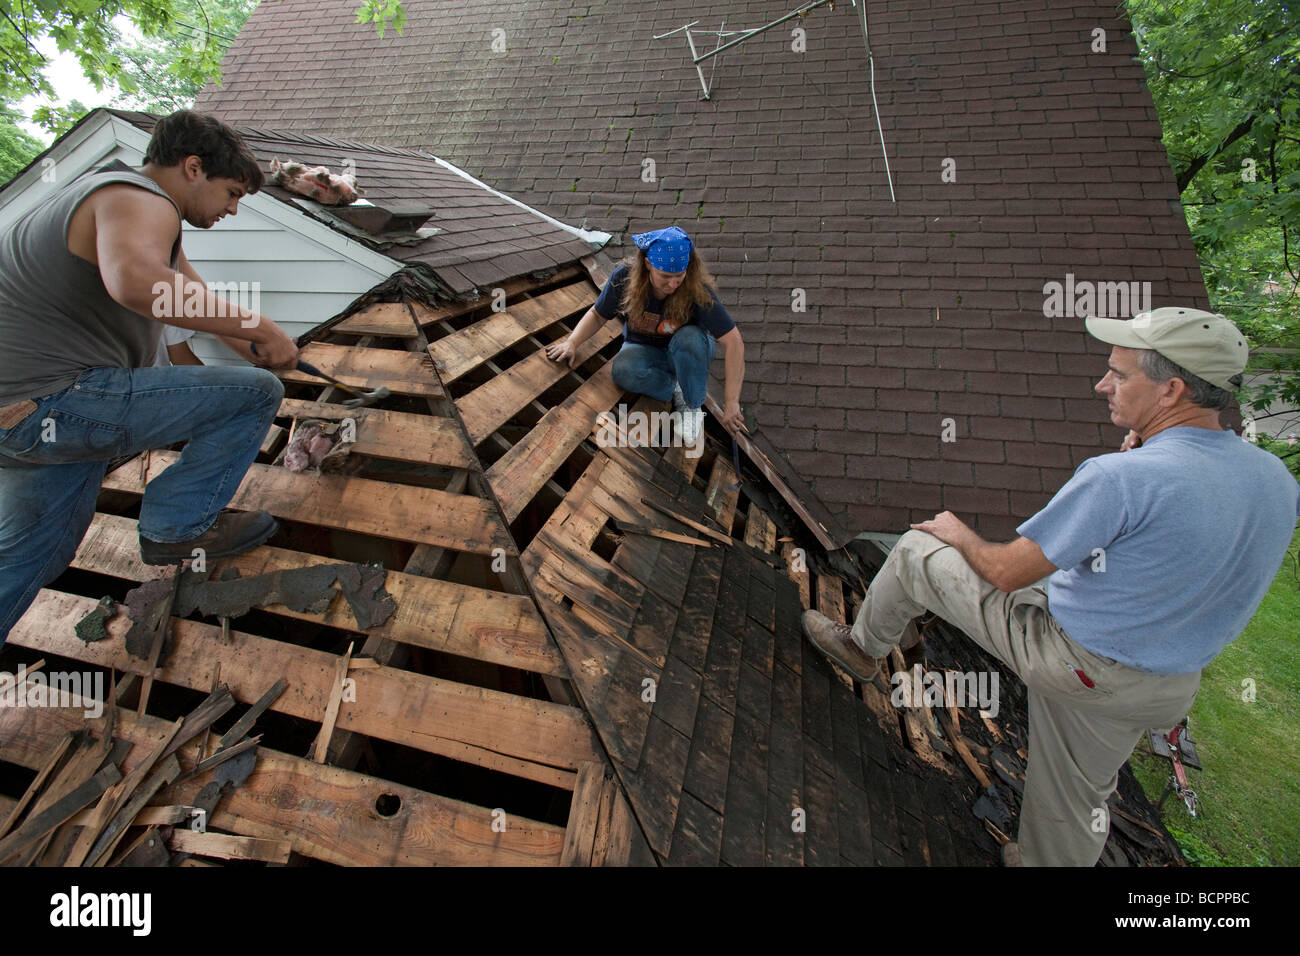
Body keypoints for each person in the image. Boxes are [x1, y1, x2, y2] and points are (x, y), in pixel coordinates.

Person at [801, 307, 1300, 866]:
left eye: (1120, 374)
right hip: (1165, 682)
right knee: (1078, 796)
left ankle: (861, 649)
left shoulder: (1122, 479)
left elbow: (1008, 571)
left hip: (1078, 661)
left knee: (919, 551)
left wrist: (958, 534)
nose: (1101, 384)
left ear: (1172, 390)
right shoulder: (1275, 480)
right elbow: (1178, 552)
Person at [0, 109, 300, 644]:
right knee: (257, 395)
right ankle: (176, 528)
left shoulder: (124, 206)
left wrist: (252, 340)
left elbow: (186, 297)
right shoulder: (136, 198)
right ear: (192, 168)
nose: (232, 209)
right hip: (55, 401)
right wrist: (261, 324)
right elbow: (139, 284)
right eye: (231, 193)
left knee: (32, 556)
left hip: (22, 419)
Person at [545, 226, 747, 445]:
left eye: (679, 276)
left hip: (688, 351)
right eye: (665, 276)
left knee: (689, 339)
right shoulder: (625, 277)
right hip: (645, 348)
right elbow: (597, 315)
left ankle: (691, 405)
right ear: (648, 264)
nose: (673, 284)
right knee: (623, 371)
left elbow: (734, 342)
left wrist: (732, 402)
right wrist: (572, 342)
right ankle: (677, 387)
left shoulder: (696, 290)